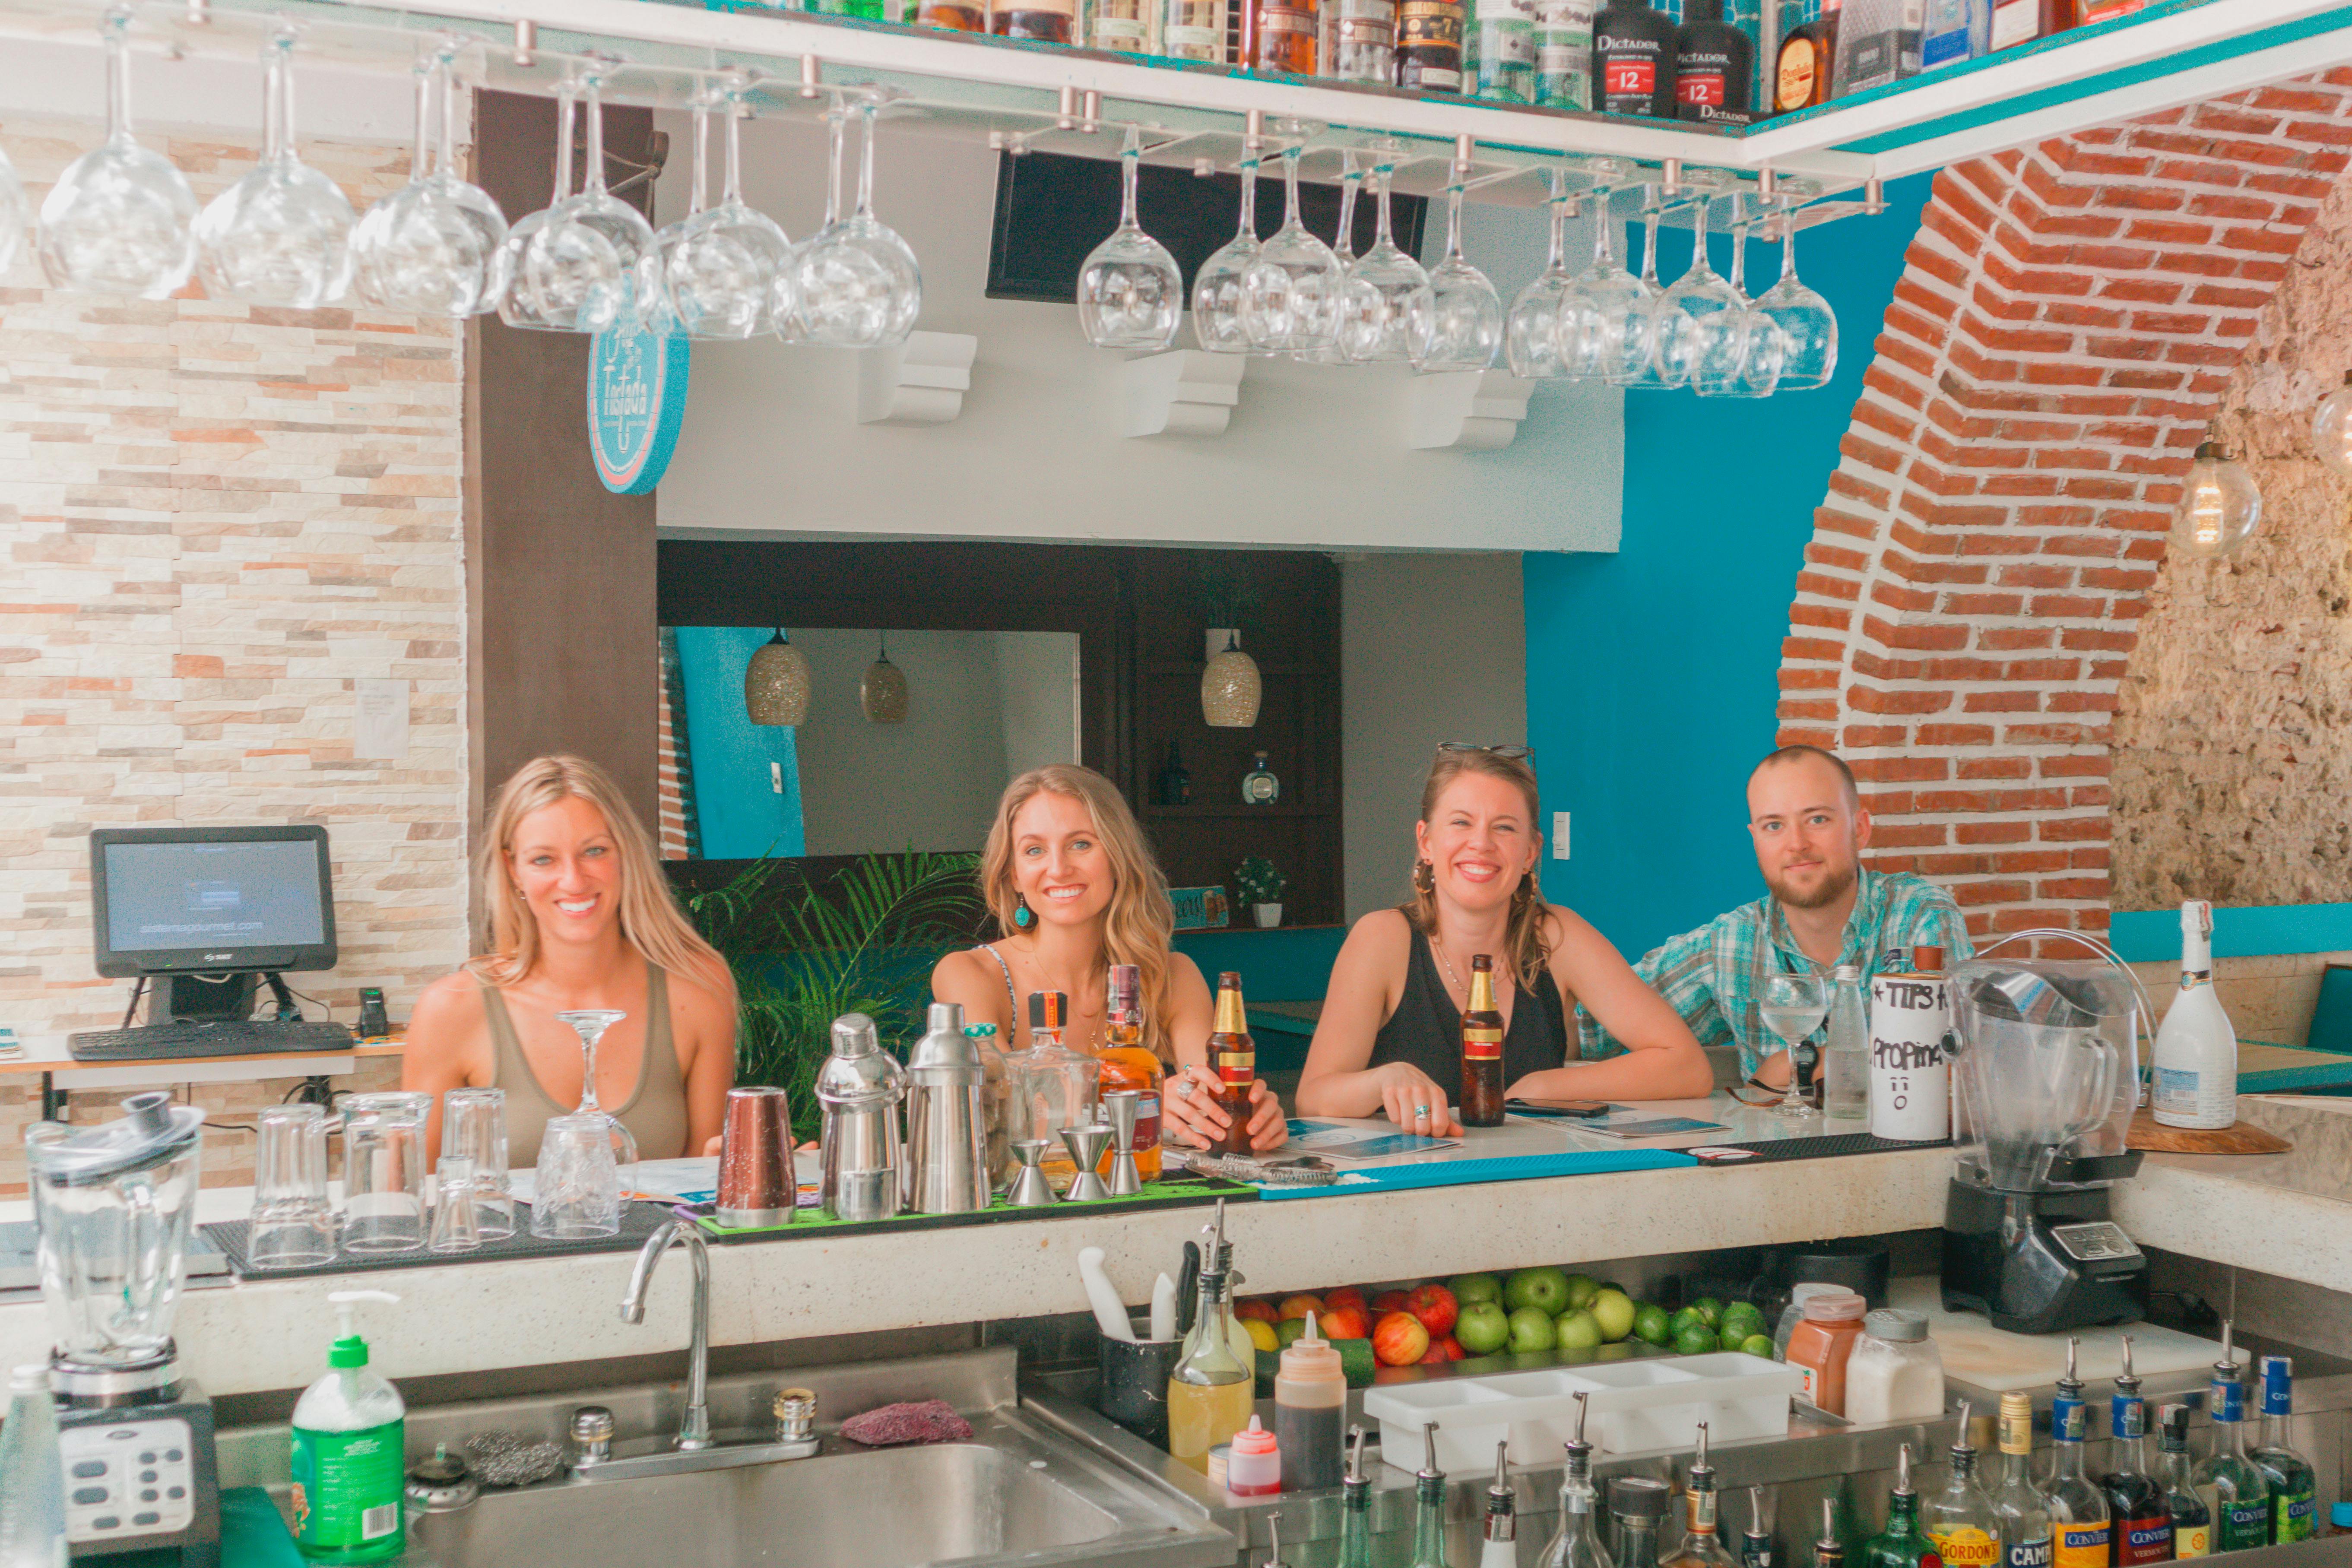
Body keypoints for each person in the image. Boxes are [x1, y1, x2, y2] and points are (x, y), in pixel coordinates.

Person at [1296, 746, 1712, 1135]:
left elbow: (1688, 1067)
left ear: (1531, 852)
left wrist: (1545, 1086)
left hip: (1533, 1185)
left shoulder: (1559, 936)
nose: (1481, 843)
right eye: (1461, 822)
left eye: (1505, 827)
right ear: (1426, 841)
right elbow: (1312, 1098)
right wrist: (1384, 1080)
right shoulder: (1382, 938)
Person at [932, 764, 1286, 1154]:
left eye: (1081, 844)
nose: (1058, 868)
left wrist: (1240, 1113)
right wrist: (1139, 1106)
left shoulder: (1172, 975)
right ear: (1015, 874)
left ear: (1118, 856)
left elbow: (1201, 1084)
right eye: (1034, 850)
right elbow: (1004, 1111)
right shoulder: (969, 974)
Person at [1578, 744, 1973, 1091]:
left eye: (1818, 819)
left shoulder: (1919, 915)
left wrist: (1799, 1064)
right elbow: (1590, 1030)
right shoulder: (1730, 943)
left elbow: (1959, 1059)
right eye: (1774, 826)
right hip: (1778, 1164)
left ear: (1860, 828)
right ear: (1755, 840)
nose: (1797, 844)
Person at [405, 755, 738, 1167]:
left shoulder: (698, 985)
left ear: (625, 854)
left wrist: (741, 1165)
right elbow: (408, 1194)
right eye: (544, 859)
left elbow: (700, 1175)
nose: (574, 881)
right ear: (513, 870)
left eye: (594, 851)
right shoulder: (452, 1008)